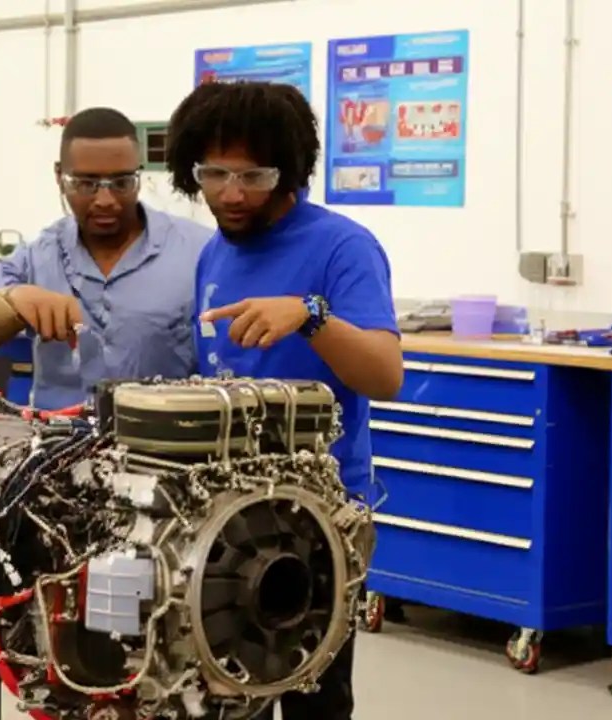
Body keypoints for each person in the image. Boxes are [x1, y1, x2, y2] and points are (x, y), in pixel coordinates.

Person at [166, 81, 404, 719]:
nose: (232, 193)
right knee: (219, 696)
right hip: (222, 520)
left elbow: (385, 376)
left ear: (291, 168)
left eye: (254, 174)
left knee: (312, 699)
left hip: (318, 521)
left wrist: (310, 315)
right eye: (213, 173)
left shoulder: (342, 246)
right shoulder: (215, 250)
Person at [0, 107, 214, 409]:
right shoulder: (40, 257)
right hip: (61, 446)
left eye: (121, 183)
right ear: (59, 176)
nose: (105, 201)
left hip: (161, 446)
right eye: (85, 184)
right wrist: (12, 298)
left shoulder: (198, 251)